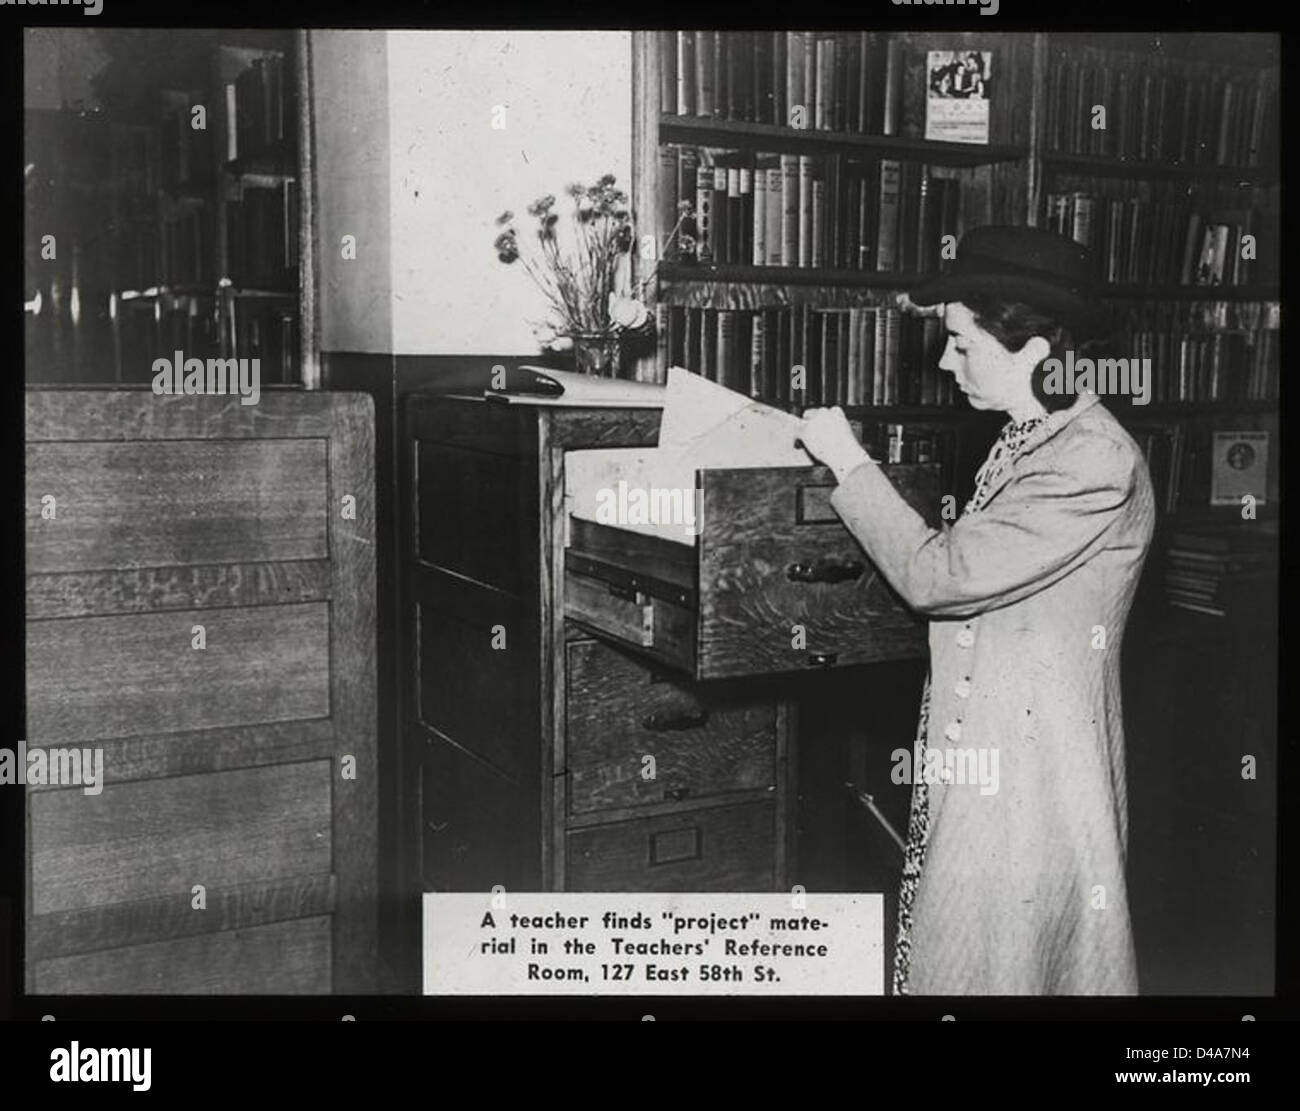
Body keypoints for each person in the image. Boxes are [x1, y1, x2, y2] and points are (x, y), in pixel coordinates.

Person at [797, 226, 1156, 995]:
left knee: (1005, 968)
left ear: (1029, 350)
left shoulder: (1095, 457)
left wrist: (851, 461)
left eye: (961, 343)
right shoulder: (1033, 439)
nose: (943, 361)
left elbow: (942, 575)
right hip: (989, 764)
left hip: (1037, 787)